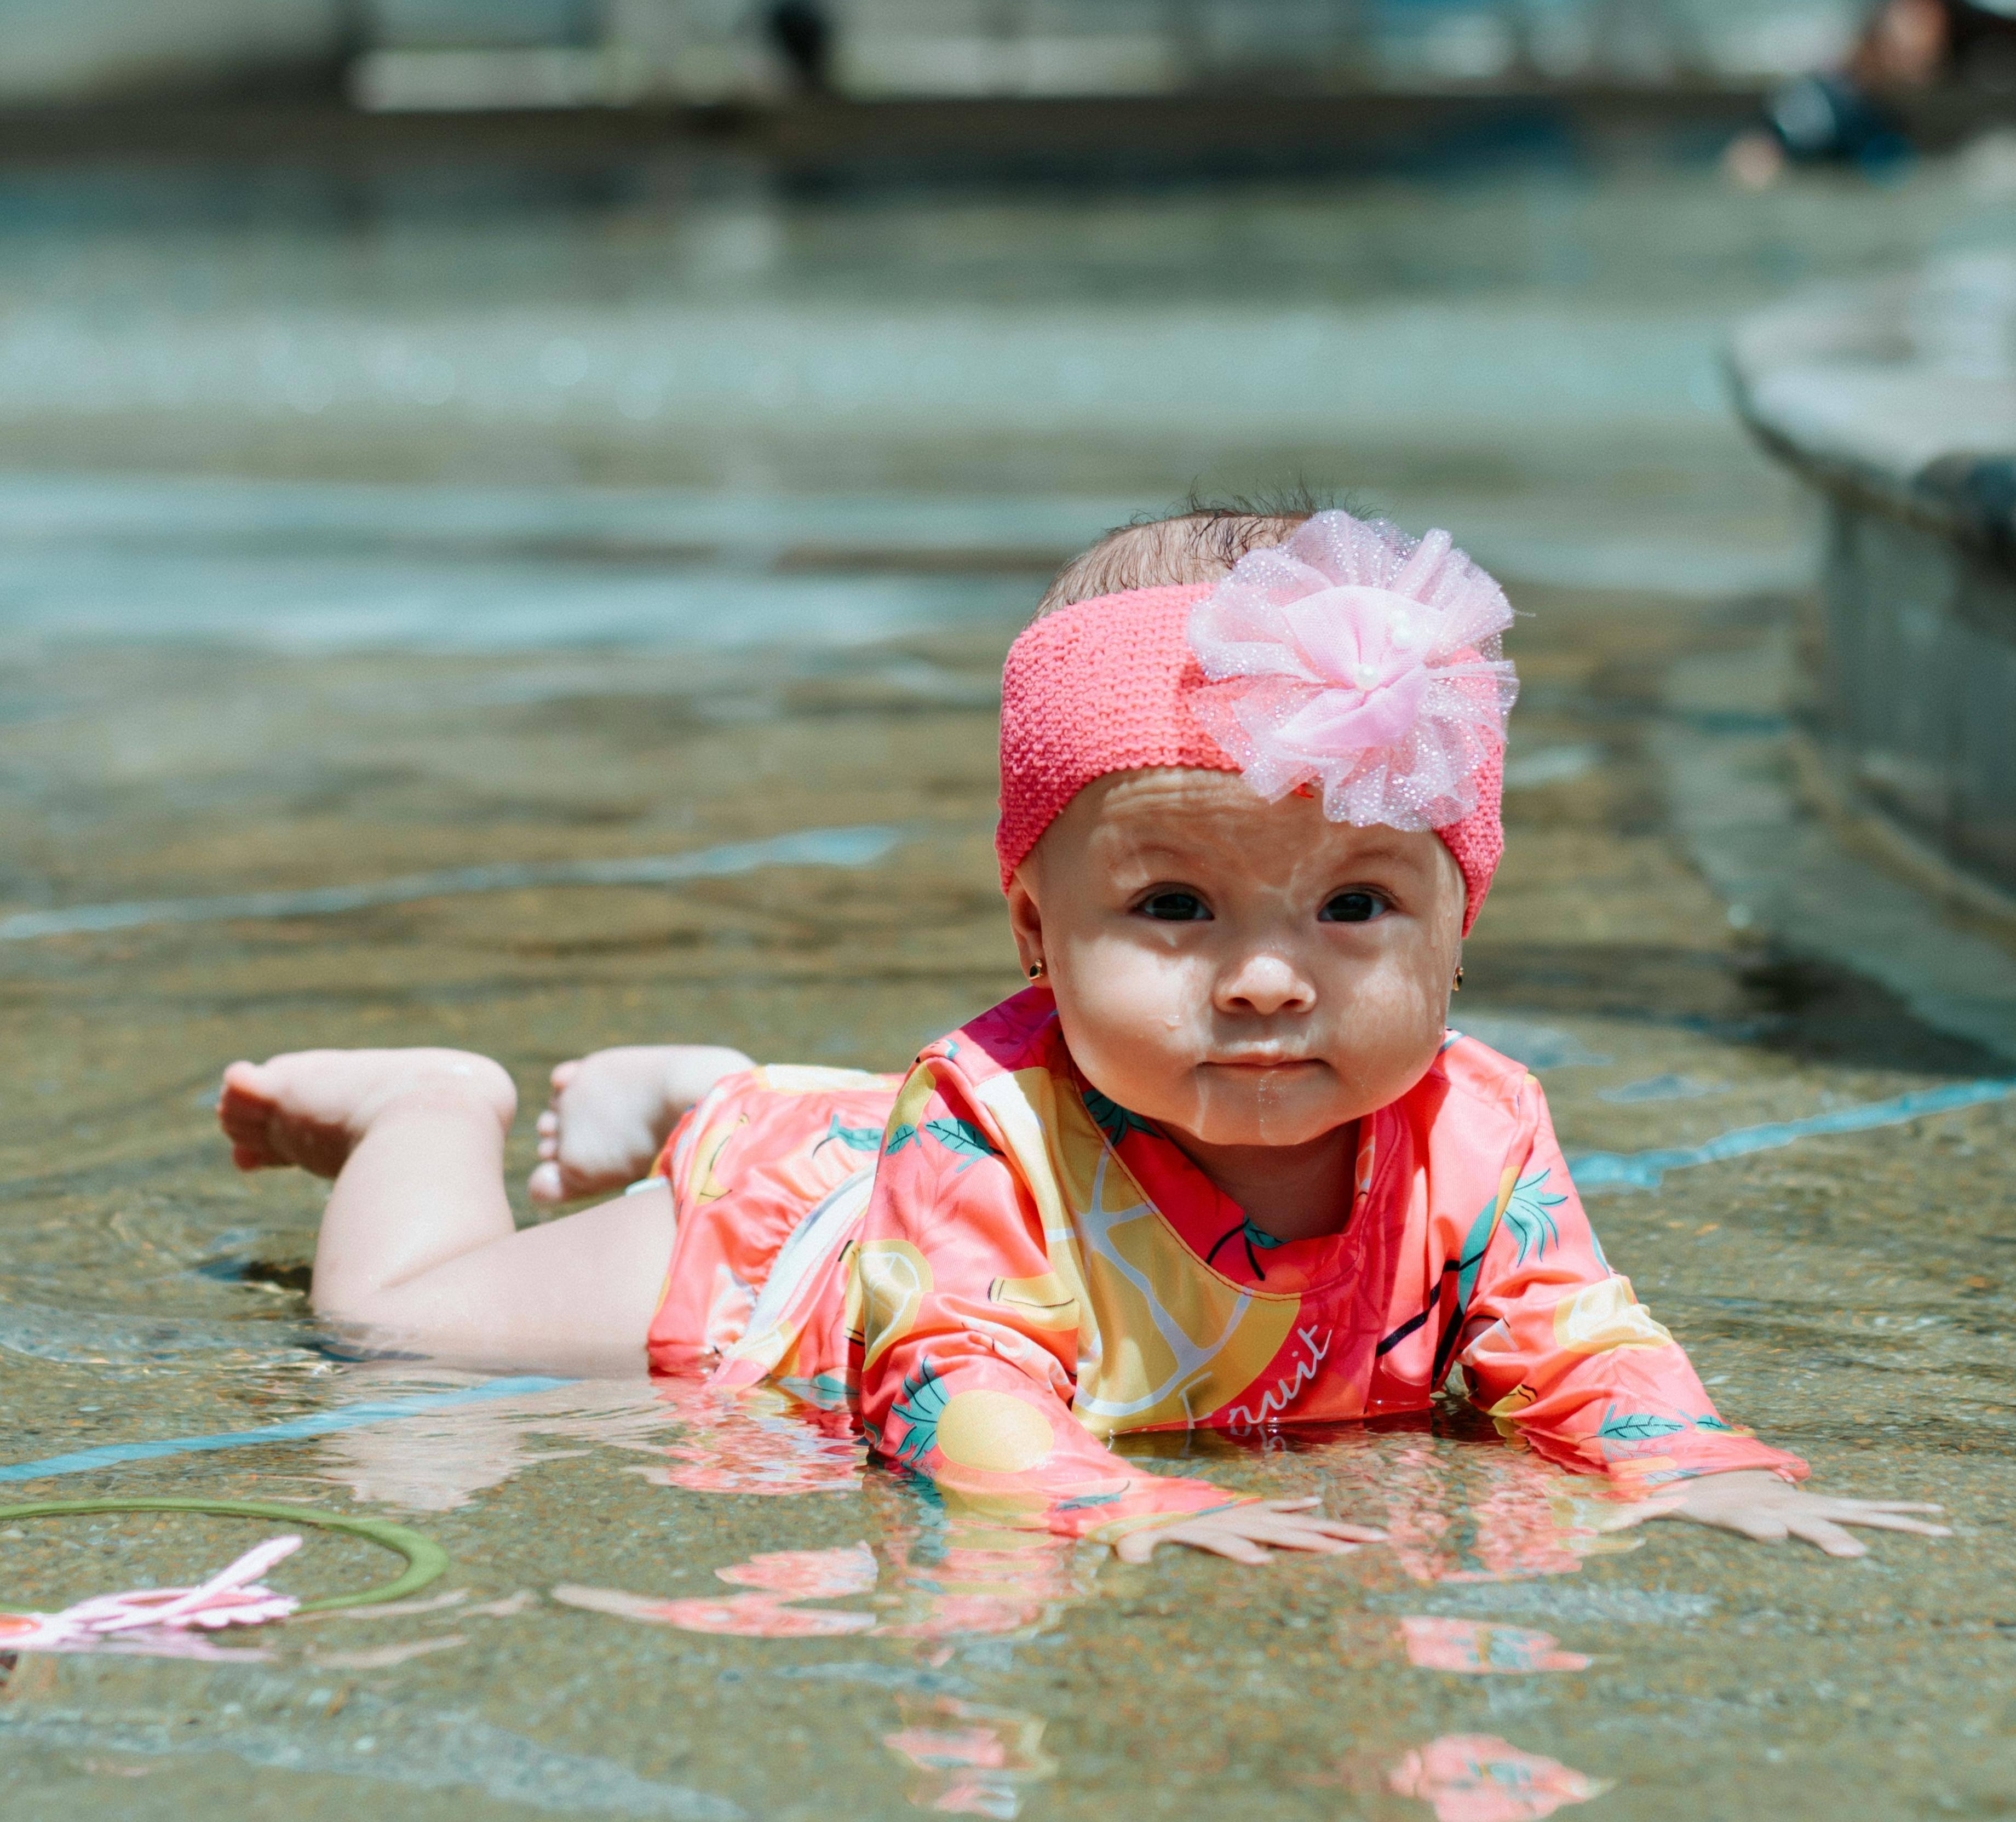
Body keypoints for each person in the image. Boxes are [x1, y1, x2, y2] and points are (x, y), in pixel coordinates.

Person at [217, 505, 1943, 1571]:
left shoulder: (1474, 1132)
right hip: (800, 1260)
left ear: (1457, 926)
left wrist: (1687, 1461)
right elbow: (949, 1379)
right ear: (1037, 937)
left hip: (903, 1152)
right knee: (403, 1326)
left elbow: (1576, 1339)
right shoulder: (989, 1122)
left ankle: (717, 1085)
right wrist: (1109, 1498)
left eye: (1354, 905)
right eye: (1176, 905)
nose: (1264, 978)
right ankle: (429, 1111)